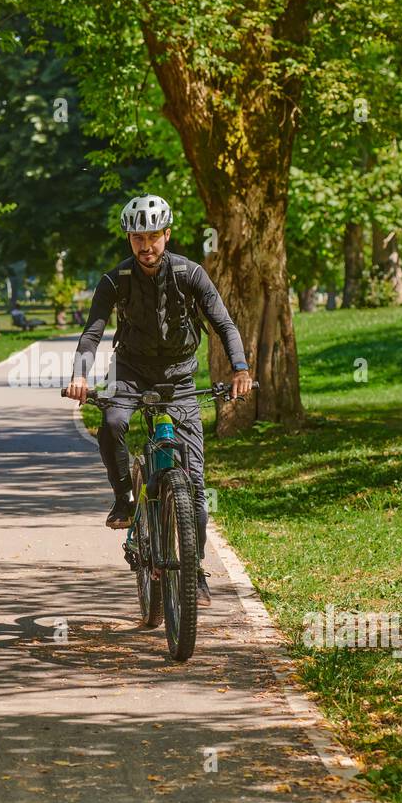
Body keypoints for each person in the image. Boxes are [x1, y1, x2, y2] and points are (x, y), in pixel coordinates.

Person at [63, 194, 252, 606]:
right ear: (129, 239)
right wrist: (79, 375)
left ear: (167, 234)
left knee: (197, 486)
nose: (145, 246)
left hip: (180, 377)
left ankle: (194, 568)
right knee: (112, 423)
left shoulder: (191, 273)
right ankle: (124, 499)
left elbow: (223, 322)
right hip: (129, 372)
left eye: (153, 236)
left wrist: (239, 368)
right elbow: (93, 332)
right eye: (137, 238)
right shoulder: (116, 280)